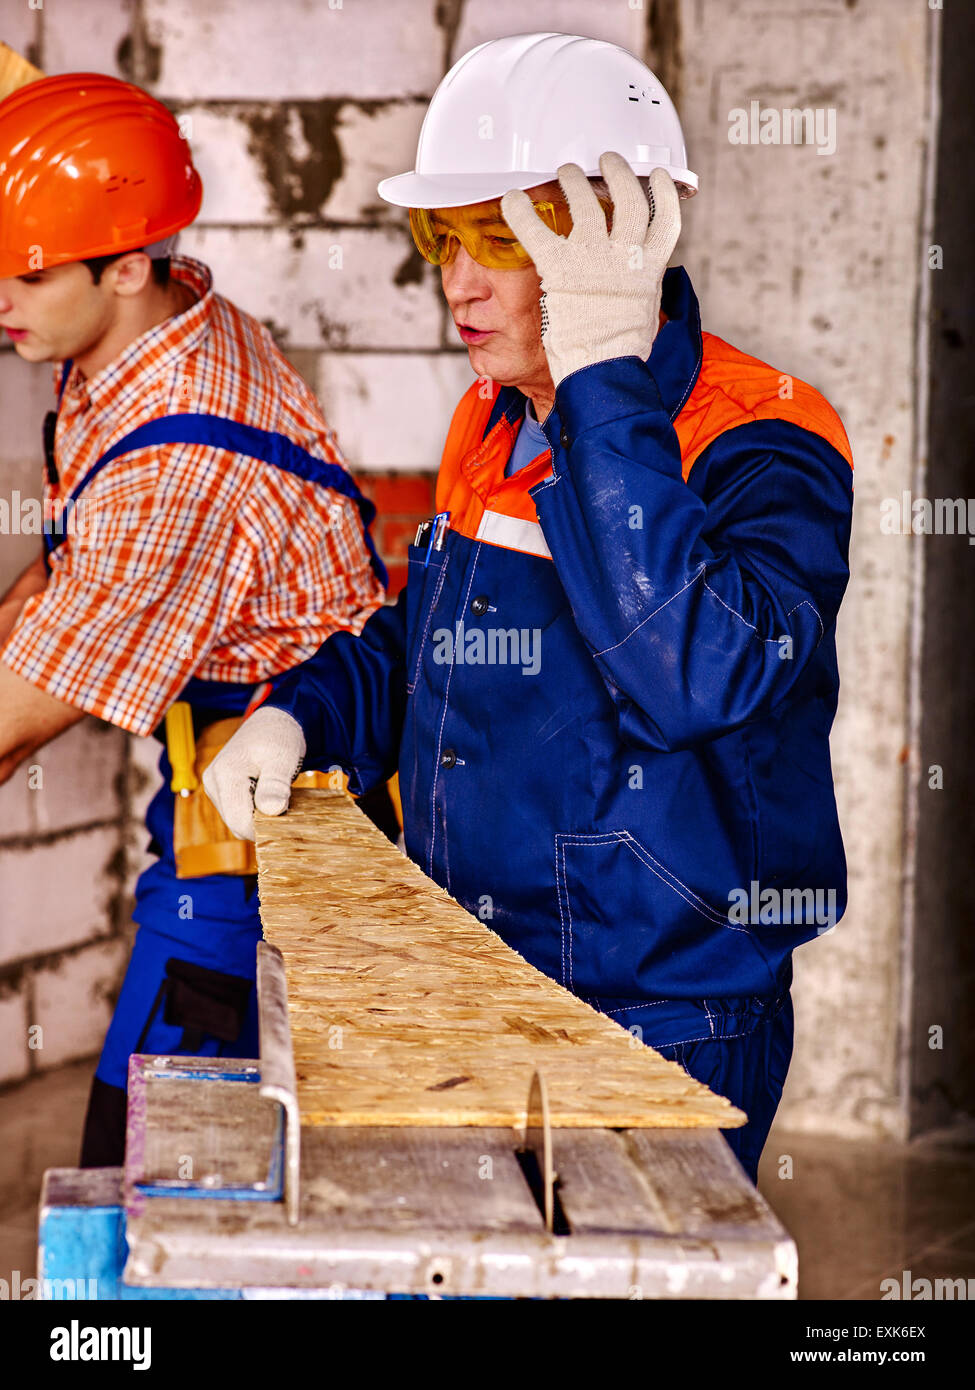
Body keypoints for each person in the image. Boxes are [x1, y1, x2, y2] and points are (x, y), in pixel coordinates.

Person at [204, 32, 854, 1183]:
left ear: (620, 235)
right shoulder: (496, 413)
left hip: (662, 1007)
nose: (459, 283)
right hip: (472, 974)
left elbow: (698, 674)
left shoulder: (767, 436)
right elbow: (434, 637)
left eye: (502, 243)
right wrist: (302, 711)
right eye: (448, 242)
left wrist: (608, 374)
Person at [0, 73, 387, 1164]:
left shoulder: (184, 451)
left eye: (29, 273)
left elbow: (11, 728)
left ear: (126, 266)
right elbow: (65, 579)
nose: (4, 296)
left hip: (289, 847)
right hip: (222, 805)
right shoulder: (159, 327)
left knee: (147, 1166)